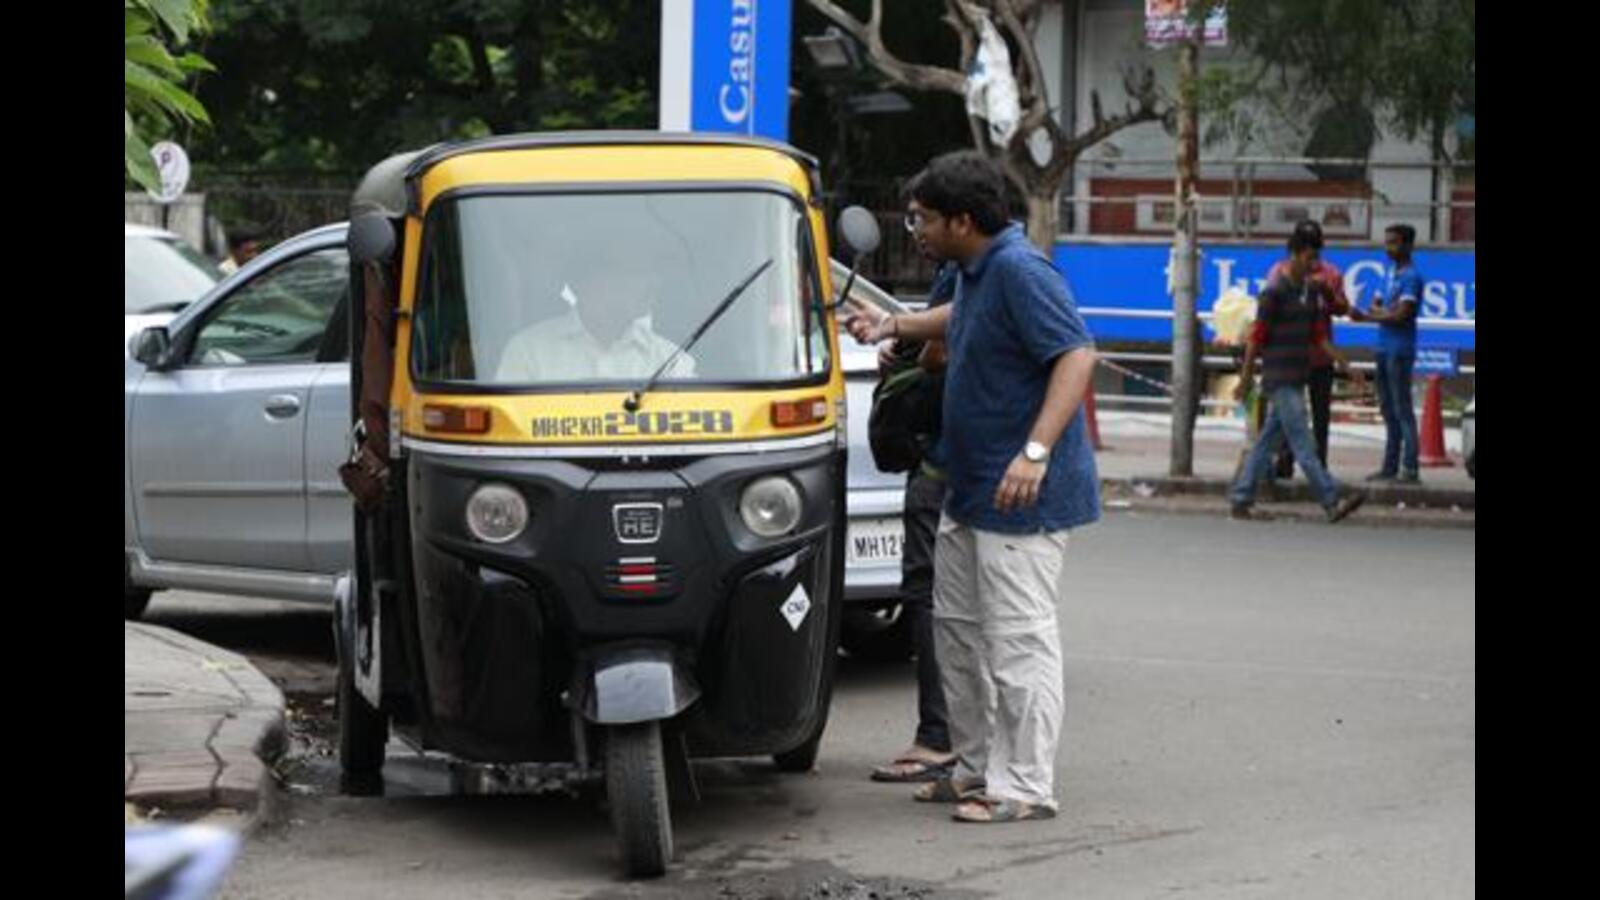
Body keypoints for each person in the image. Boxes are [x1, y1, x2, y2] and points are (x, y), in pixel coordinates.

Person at [846, 151, 1099, 824]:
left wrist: (1036, 452)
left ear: (962, 220)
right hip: (968, 481)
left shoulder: (1019, 270)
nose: (916, 230)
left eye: (924, 219)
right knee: (956, 629)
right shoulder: (975, 272)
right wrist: (893, 323)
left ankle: (1024, 786)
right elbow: (959, 320)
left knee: (1019, 638)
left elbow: (1077, 354)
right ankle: (976, 766)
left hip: (1020, 494)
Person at [868, 256, 958, 785]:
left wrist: (901, 346)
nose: (918, 235)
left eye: (923, 219)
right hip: (959, 460)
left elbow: (938, 352)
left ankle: (938, 738)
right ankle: (960, 742)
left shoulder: (970, 272)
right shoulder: (999, 267)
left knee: (929, 594)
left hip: (940, 462)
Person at [1229, 228, 1367, 523]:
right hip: (1279, 378)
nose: (1314, 264)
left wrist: (1346, 365)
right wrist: (1244, 379)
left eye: (1317, 258)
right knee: (1304, 443)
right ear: (1294, 253)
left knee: (1266, 443)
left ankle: (1241, 498)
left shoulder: (1312, 291)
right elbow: (1256, 339)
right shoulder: (1273, 293)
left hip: (1297, 374)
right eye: (1310, 257)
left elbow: (1320, 337)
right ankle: (1331, 501)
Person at [495, 245, 694, 383]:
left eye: (654, 272)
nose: (654, 282)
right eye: (637, 270)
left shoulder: (671, 360)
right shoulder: (528, 351)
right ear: (591, 280)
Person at [1265, 220, 1351, 479]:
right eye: (1306, 248)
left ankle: (1320, 465)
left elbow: (1342, 308)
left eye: (1314, 248)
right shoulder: (1280, 272)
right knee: (1287, 413)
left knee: (1320, 413)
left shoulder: (1331, 274)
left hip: (1320, 356)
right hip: (1291, 355)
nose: (1310, 255)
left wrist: (1327, 294)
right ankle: (1285, 461)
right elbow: (1270, 310)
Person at [1348, 224, 1423, 483]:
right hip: (1383, 347)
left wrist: (1375, 315)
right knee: (1388, 408)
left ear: (1408, 245)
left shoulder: (1411, 277)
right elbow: (1378, 306)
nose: (1388, 247)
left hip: (1399, 350)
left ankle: (1410, 468)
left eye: (1394, 242)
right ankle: (1390, 466)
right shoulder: (1389, 272)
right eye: (1387, 241)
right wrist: (1380, 313)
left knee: (1402, 409)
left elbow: (1402, 315)